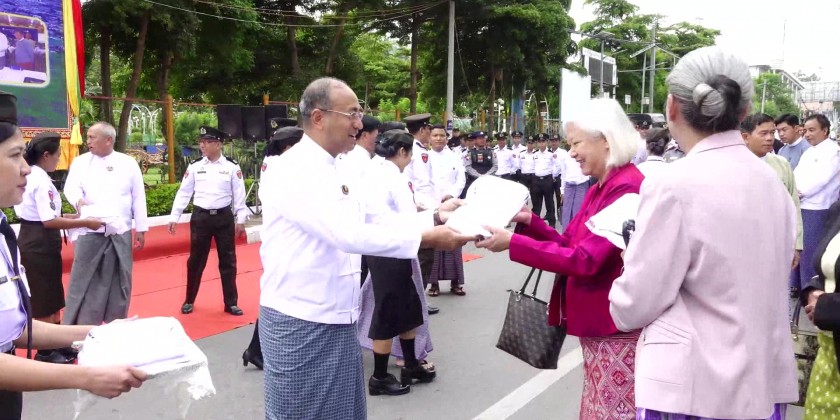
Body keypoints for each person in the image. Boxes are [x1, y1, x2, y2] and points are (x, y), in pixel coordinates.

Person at [257, 77, 472, 420]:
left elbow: (375, 218)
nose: (360, 124)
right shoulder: (292, 170)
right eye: (352, 114)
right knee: (299, 413)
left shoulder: (341, 165)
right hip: (301, 319)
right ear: (318, 117)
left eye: (360, 113)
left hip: (339, 316)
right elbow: (346, 234)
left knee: (344, 413)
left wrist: (434, 216)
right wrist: (426, 238)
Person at [609, 47, 797, 419]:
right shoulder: (772, 182)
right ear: (743, 112)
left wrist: (630, 262)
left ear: (672, 107)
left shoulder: (674, 184)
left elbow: (633, 305)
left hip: (694, 390)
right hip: (761, 382)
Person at [476, 98, 644, 419]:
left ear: (605, 141)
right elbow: (570, 242)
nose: (571, 152)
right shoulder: (602, 186)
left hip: (615, 329)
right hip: (601, 326)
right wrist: (530, 221)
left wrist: (512, 243)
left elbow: (584, 261)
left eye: (576, 143)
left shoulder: (626, 189)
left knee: (614, 411)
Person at [0, 91, 146, 420]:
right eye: (14, 156)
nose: (26, 169)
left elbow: (12, 330)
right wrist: (86, 376)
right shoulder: (80, 166)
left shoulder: (2, 231)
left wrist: (98, 333)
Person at [357, 130, 437, 396]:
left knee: (409, 305)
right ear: (402, 152)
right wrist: (437, 218)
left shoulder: (374, 169)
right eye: (410, 153)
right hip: (388, 248)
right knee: (389, 310)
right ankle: (379, 376)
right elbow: (407, 216)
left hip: (386, 247)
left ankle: (411, 364)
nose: (412, 159)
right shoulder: (391, 175)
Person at [14, 131, 102, 364]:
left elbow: (47, 214)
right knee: (43, 296)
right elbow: (48, 221)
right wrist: (86, 222)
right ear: (46, 155)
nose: (59, 158)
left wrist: (73, 217)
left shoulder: (33, 176)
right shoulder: (41, 180)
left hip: (36, 237)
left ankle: (57, 345)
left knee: (52, 294)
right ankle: (45, 351)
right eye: (58, 154)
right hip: (39, 240)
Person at [62, 122, 148, 326]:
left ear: (108, 140)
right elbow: (70, 188)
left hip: (121, 232)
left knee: (120, 281)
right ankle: (77, 331)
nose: (88, 141)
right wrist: (77, 201)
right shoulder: (81, 162)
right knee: (84, 280)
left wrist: (141, 229)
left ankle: (114, 326)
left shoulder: (128, 163)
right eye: (88, 137)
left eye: (92, 137)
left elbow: (138, 197)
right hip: (90, 230)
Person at [242, 123, 304, 371]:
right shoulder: (283, 167)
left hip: (278, 240)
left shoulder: (273, 162)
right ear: (289, 147)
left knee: (278, 295)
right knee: (279, 298)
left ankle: (256, 349)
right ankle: (257, 349)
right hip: (283, 242)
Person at [169, 126, 247, 316]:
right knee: (196, 261)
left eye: (207, 142)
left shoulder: (231, 166)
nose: (202, 145)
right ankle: (189, 300)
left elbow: (239, 194)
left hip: (223, 218)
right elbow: (184, 192)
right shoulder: (195, 166)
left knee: (228, 261)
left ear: (218, 144)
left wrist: (241, 219)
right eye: (201, 142)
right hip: (201, 218)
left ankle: (231, 303)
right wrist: (174, 215)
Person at [741, 113, 803, 268]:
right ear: (745, 137)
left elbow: (793, 205)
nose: (770, 138)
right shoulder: (734, 166)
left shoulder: (781, 164)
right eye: (763, 133)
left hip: (777, 241)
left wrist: (796, 245)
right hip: (744, 243)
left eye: (772, 133)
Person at [801, 200, 840, 416]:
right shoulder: (837, 210)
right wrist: (811, 292)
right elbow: (826, 268)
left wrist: (826, 307)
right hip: (828, 360)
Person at [793, 114, 840, 293]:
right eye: (805, 130)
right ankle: (799, 286)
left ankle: (811, 289)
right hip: (802, 205)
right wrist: (794, 191)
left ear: (825, 130)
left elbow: (822, 179)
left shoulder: (833, 152)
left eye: (812, 130)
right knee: (801, 249)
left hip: (818, 208)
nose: (807, 134)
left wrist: (801, 192)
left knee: (812, 251)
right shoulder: (809, 151)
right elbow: (797, 174)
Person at [427, 125, 466, 297]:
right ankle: (433, 284)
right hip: (430, 206)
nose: (438, 138)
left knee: (454, 243)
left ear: (447, 138)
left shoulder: (455, 157)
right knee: (433, 245)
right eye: (435, 135)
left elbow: (461, 179)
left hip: (451, 204)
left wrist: (451, 195)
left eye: (441, 135)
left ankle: (456, 282)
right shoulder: (424, 157)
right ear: (429, 138)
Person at [532, 134, 557, 228]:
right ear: (537, 143)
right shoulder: (535, 154)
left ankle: (551, 222)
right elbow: (533, 167)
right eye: (539, 142)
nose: (541, 144)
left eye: (543, 141)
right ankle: (536, 224)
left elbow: (555, 166)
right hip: (537, 180)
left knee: (549, 202)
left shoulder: (551, 154)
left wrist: (552, 177)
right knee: (536, 203)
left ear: (546, 142)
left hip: (547, 180)